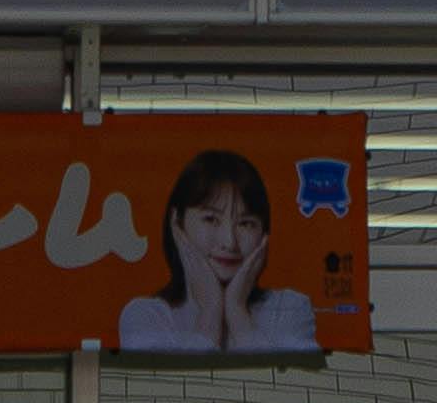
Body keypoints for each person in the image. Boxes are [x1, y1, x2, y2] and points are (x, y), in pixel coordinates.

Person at [121, 148, 322, 358]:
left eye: (246, 223)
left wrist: (237, 312)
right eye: (211, 219)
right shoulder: (145, 317)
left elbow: (286, 385)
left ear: (264, 233)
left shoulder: (289, 309)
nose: (229, 242)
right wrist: (210, 310)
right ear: (177, 224)